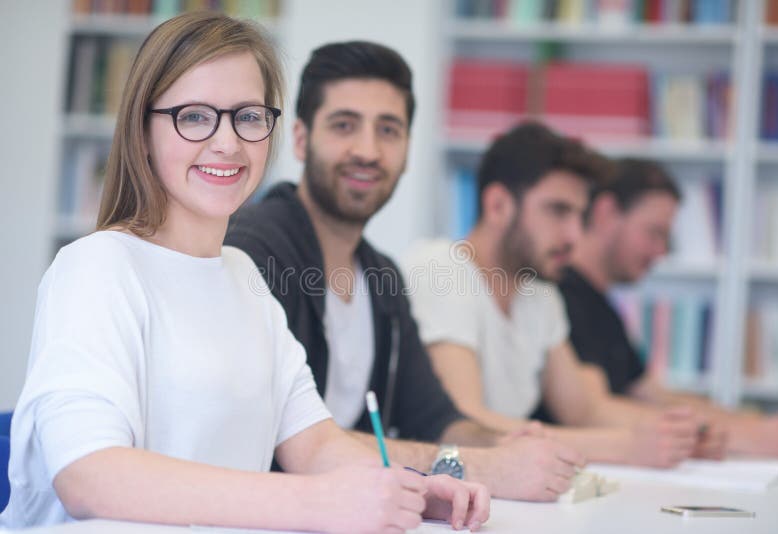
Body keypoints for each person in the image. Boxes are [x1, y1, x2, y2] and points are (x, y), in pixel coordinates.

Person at [0, 13, 490, 532]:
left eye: (249, 117)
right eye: (193, 116)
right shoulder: (97, 267)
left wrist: (410, 489)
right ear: (142, 132)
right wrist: (316, 503)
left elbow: (316, 444)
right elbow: (88, 477)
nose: (228, 143)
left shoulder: (246, 280)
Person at [225, 40, 584, 502]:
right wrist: (480, 466)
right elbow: (278, 439)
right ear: (300, 138)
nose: (368, 151)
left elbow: (435, 419)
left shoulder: (382, 277)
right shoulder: (254, 250)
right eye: (344, 125)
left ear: (408, 151)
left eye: (389, 130)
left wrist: (505, 446)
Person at [404, 122, 726, 468]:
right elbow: (463, 421)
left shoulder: (540, 293)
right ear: (497, 205)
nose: (574, 234)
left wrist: (672, 435)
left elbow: (585, 409)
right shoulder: (440, 268)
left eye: (578, 214)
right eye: (558, 211)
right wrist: (626, 446)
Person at [560, 157, 778, 458]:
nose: (661, 252)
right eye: (654, 233)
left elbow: (652, 393)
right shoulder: (564, 296)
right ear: (606, 212)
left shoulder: (601, 307)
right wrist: (744, 436)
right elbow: (592, 410)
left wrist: (758, 425)